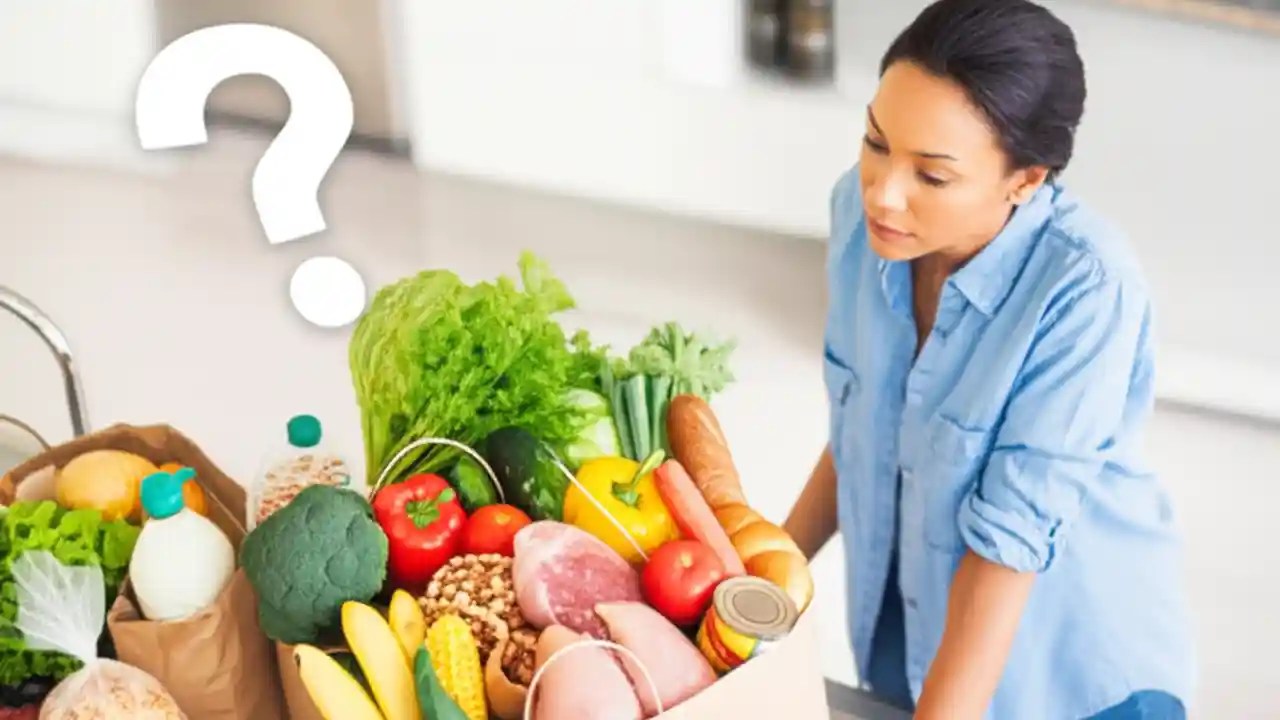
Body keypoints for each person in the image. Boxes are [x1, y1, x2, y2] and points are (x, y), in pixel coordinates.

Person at [782, 1, 1196, 718]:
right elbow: (863, 429)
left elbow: (1008, 546)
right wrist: (757, 584)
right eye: (876, 142)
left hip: (1068, 673)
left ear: (1025, 181)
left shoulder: (1086, 287)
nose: (885, 192)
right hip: (910, 631)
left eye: (932, 176)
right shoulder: (860, 216)